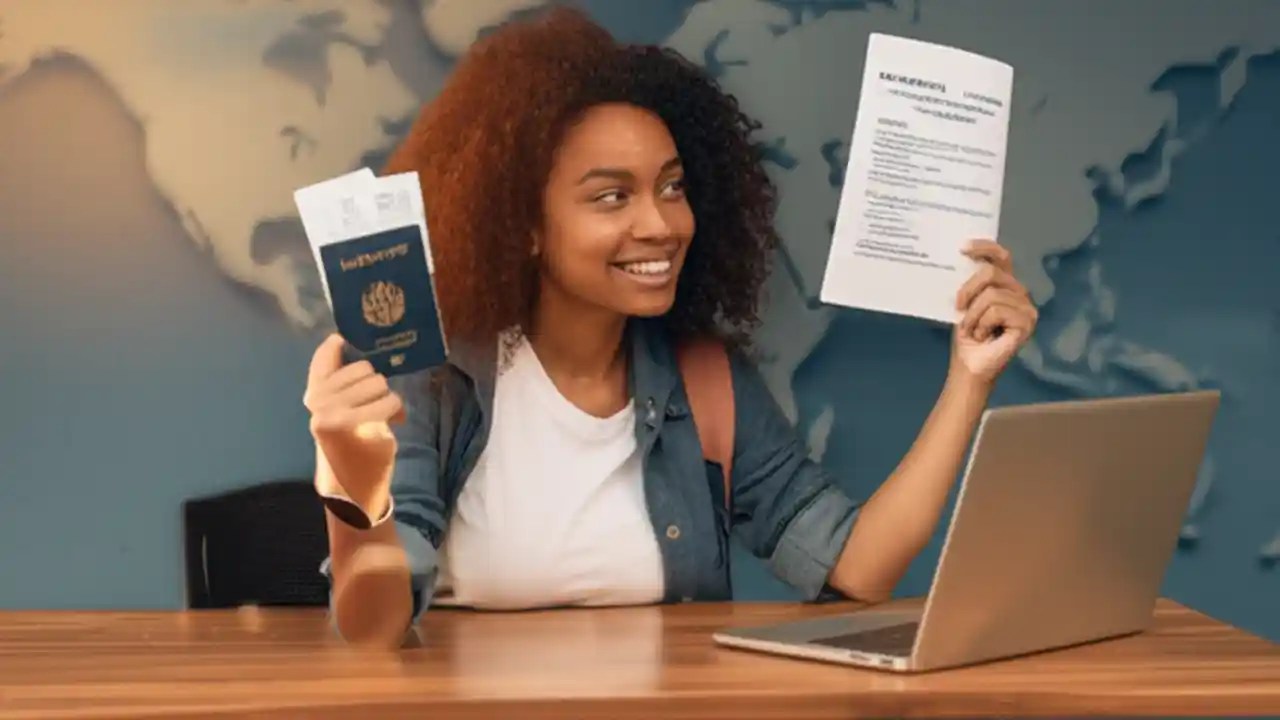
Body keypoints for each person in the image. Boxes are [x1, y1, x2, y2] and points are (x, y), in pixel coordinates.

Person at [302, 7, 1038, 648]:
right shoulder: (436, 378)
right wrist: (356, 496)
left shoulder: (704, 380)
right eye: (611, 196)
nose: (659, 225)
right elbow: (374, 630)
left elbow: (858, 567)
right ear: (523, 223)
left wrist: (968, 381)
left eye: (672, 187)